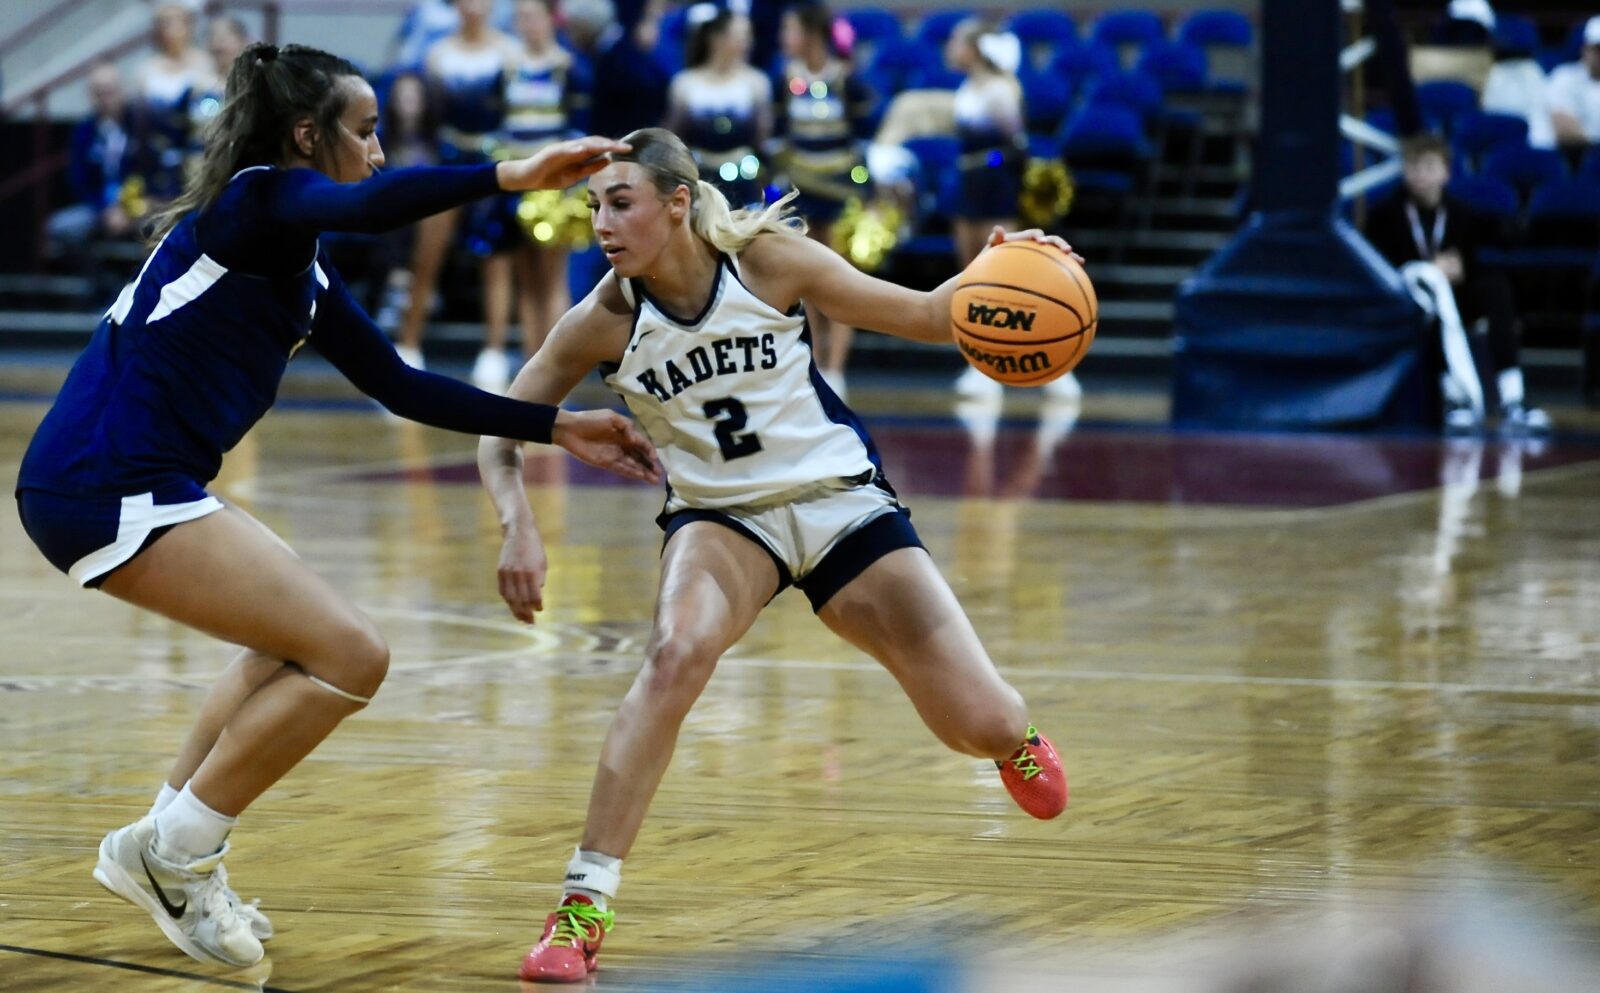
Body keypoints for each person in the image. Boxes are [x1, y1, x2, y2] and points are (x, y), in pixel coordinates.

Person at [13, 42, 657, 969]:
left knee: (291, 639)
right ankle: (179, 852)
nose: (380, 150)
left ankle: (160, 841)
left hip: (128, 480)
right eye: (366, 131)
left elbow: (400, 384)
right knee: (352, 653)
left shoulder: (298, 267)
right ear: (306, 136)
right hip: (101, 481)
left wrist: (556, 427)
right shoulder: (253, 201)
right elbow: (361, 205)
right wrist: (510, 174)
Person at [477, 128, 1070, 984]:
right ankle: (581, 905)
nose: (602, 223)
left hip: (838, 502)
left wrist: (1003, 271)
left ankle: (1015, 735)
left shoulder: (768, 262)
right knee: (675, 653)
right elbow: (499, 428)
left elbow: (930, 315)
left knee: (976, 721)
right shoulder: (601, 321)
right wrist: (516, 523)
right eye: (594, 206)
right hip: (721, 520)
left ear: (678, 203)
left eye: (621, 202)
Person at [1364, 134, 1550, 434]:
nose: (1419, 174)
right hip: (1410, 299)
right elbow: (1379, 268)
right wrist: (1427, 269)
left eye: (1428, 166)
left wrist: (1459, 270)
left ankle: (1511, 395)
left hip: (1456, 294)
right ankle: (1455, 397)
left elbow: (1472, 261)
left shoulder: (1463, 213)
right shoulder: (1384, 214)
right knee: (1435, 299)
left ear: (1446, 172)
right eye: (1413, 166)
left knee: (1496, 287)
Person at [945, 19, 1081, 403]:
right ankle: (979, 364)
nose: (951, 47)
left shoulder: (1004, 89)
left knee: (1004, 280)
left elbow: (1017, 146)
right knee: (968, 282)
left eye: (957, 41)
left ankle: (1054, 363)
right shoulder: (965, 87)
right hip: (967, 183)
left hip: (996, 184)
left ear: (975, 48)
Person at [393, 0, 523, 382]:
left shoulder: (508, 51)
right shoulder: (438, 53)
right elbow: (428, 118)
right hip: (449, 159)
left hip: (493, 159)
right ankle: (408, 344)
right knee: (427, 255)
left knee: (497, 258)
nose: (474, 7)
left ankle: (495, 351)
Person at [775, 1, 875, 399]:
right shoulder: (785, 77)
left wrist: (865, 189)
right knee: (807, 278)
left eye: (791, 30)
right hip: (802, 186)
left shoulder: (847, 79)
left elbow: (864, 133)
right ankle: (815, 362)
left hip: (840, 186)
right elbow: (781, 131)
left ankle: (838, 368)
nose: (785, 39)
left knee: (839, 275)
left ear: (812, 34)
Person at [665, 3, 772, 209]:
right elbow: (674, 136)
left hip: (744, 178)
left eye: (748, 35)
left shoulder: (756, 82)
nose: (747, 42)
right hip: (701, 177)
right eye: (740, 35)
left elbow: (762, 136)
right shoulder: (685, 83)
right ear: (716, 38)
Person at [46, 61, 139, 272]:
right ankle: (102, 284)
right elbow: (79, 180)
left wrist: (128, 209)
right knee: (60, 227)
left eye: (110, 91)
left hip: (138, 206)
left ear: (121, 90)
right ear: (91, 95)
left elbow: (147, 171)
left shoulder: (139, 125)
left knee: (166, 225)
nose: (106, 98)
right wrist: (104, 210)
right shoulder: (85, 131)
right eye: (99, 93)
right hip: (98, 208)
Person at [133, 0, 215, 203]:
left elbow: (211, 109)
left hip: (196, 153)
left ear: (188, 23)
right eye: (160, 22)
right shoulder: (145, 69)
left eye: (171, 21)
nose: (165, 28)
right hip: (158, 155)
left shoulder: (205, 62)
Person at [562, 0, 669, 140]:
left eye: (572, 28)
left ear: (585, 27)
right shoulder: (614, 50)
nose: (570, 37)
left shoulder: (620, 62)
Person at [1547, 16, 1600, 152]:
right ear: (1585, 49)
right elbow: (1564, 129)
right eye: (1598, 49)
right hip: (1572, 159)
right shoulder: (1564, 76)